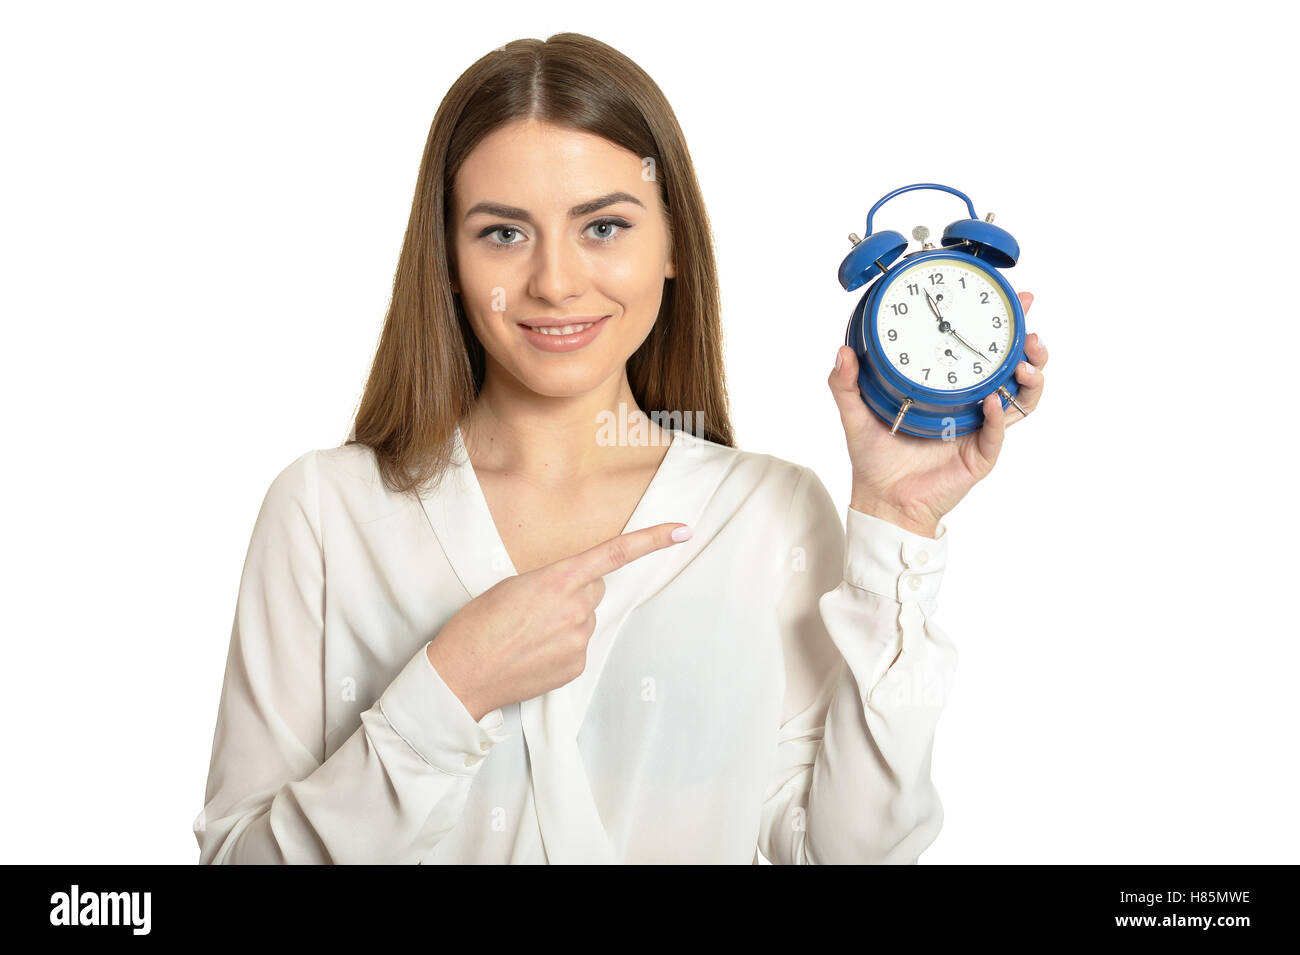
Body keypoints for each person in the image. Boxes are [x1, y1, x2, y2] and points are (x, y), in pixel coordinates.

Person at [193, 33, 1048, 865]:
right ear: (446, 258)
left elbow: (845, 854)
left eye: (603, 227)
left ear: (673, 244)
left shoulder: (768, 515)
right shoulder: (323, 511)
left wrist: (895, 523)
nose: (556, 282)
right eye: (502, 232)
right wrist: (446, 690)